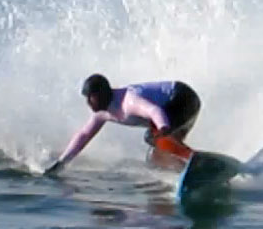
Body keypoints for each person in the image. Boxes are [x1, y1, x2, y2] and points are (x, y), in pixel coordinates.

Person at [44, 74, 201, 175]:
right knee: (156, 158)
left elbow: (153, 110)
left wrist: (163, 126)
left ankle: (195, 160)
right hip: (174, 108)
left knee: (152, 137)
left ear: (102, 94)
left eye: (91, 98)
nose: (88, 103)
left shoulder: (128, 101)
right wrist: (61, 163)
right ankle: (188, 172)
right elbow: (84, 136)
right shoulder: (102, 113)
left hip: (183, 98)